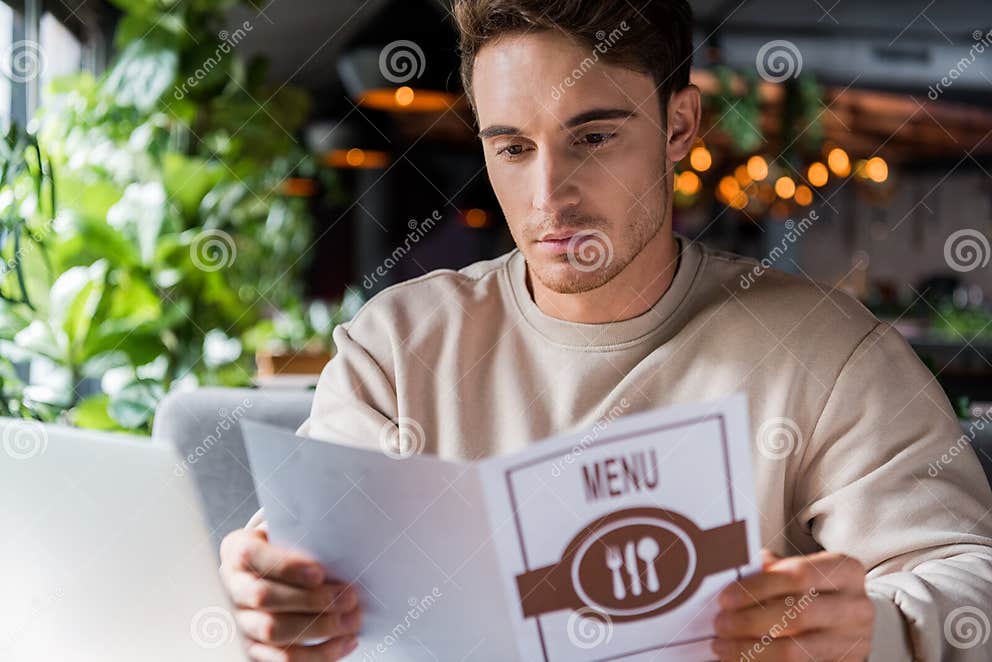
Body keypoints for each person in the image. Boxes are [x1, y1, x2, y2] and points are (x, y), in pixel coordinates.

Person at [219, 1, 992, 660]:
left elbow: (969, 584)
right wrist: (276, 590)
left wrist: (876, 628)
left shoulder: (829, 352)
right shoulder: (395, 346)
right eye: (513, 148)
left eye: (593, 138)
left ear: (678, 125)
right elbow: (309, 553)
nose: (550, 196)